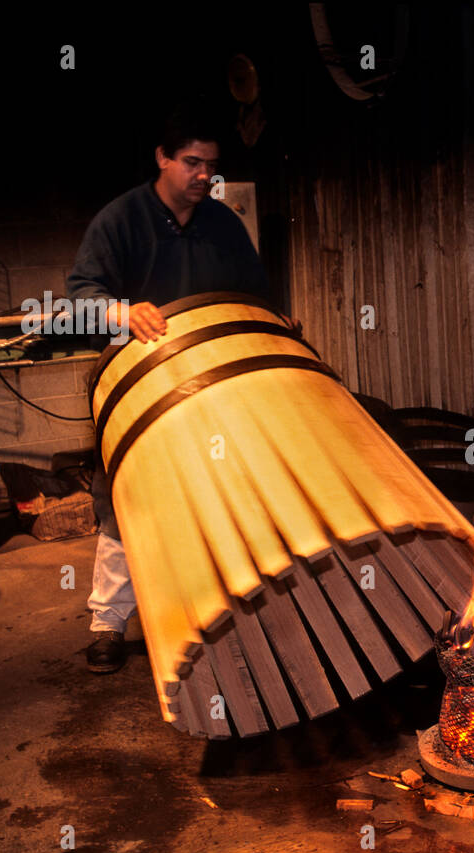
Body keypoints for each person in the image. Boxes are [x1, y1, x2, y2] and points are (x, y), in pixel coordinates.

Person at [67, 101, 276, 674]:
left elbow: (253, 294)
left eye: (210, 165)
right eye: (190, 163)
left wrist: (275, 323)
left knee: (220, 494)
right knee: (124, 502)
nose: (203, 176)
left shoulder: (222, 224)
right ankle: (109, 623)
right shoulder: (120, 220)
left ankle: (217, 615)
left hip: (212, 384)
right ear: (161, 159)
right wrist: (122, 311)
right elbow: (79, 298)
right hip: (138, 388)